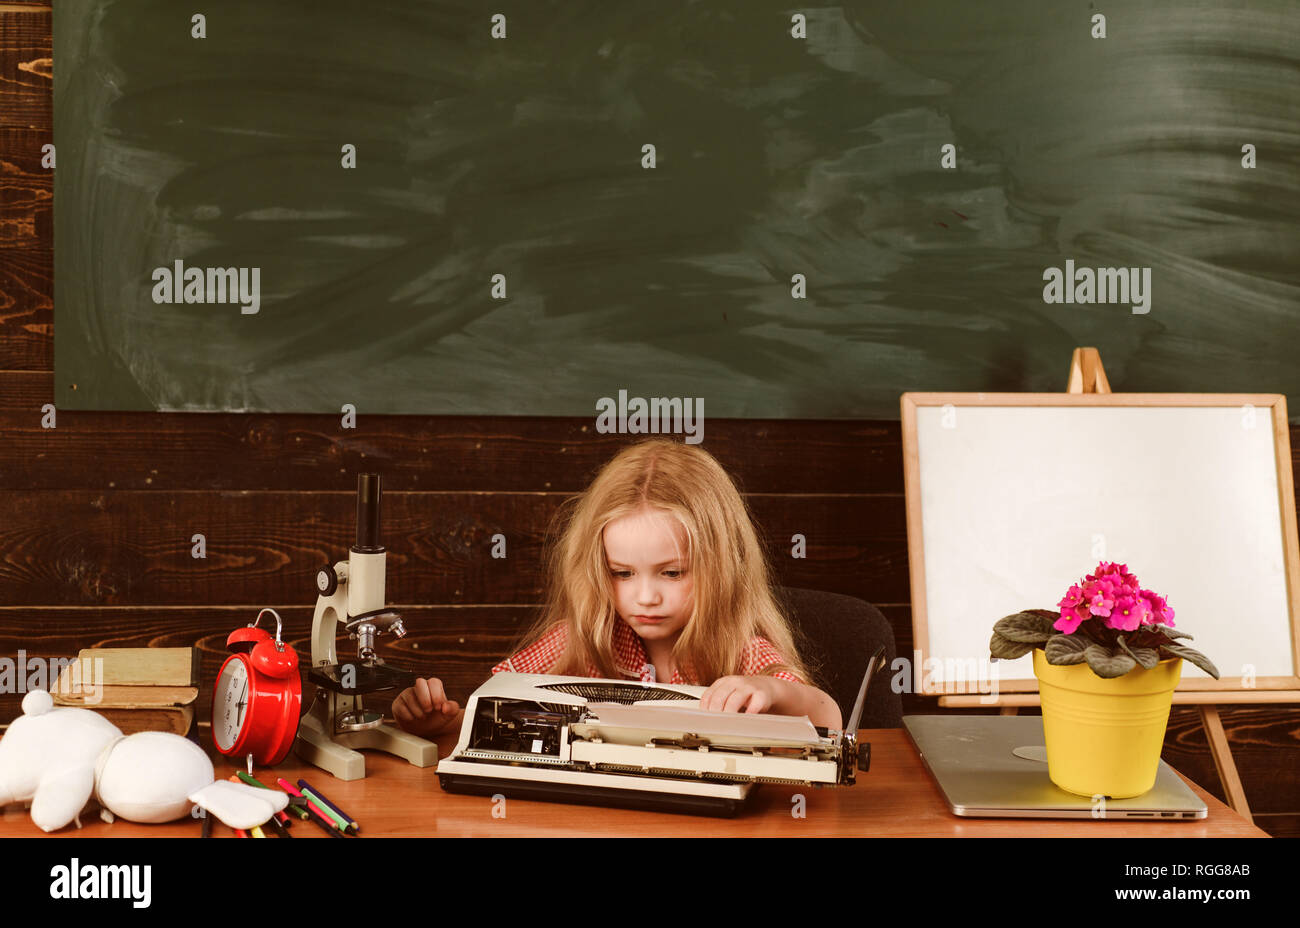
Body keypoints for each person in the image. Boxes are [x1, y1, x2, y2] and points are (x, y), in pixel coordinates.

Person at [392, 438, 841, 738]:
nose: (645, 597)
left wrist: (769, 691)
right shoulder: (579, 639)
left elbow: (827, 718)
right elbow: (493, 705)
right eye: (622, 573)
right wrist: (437, 724)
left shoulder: (738, 647)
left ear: (721, 566)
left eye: (672, 573)